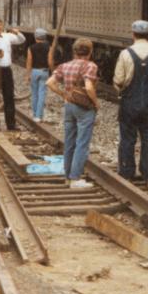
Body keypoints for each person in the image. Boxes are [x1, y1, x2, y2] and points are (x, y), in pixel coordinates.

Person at [113, 20, 148, 187]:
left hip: (129, 103)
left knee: (127, 138)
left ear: (133, 34)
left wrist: (121, 91)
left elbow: (119, 79)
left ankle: (127, 173)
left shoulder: (125, 54)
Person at [47, 38, 99, 189]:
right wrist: (95, 102)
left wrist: (64, 95)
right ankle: (75, 178)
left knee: (69, 142)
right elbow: (89, 88)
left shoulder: (64, 66)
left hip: (69, 106)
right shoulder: (90, 66)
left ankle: (67, 177)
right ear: (90, 52)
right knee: (82, 143)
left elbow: (50, 83)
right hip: (83, 108)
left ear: (74, 51)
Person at [0, 18, 26, 131]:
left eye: (0, 25)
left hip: (6, 70)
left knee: (9, 96)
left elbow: (22, 40)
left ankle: (11, 124)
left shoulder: (8, 36)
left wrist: (17, 32)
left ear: (2, 26)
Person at [26, 28, 51, 122]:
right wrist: (52, 70)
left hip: (34, 72)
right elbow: (50, 61)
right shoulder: (49, 47)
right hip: (44, 71)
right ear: (44, 37)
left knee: (34, 94)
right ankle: (39, 116)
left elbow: (29, 62)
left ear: (35, 37)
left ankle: (34, 114)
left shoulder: (31, 48)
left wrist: (28, 74)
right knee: (42, 94)